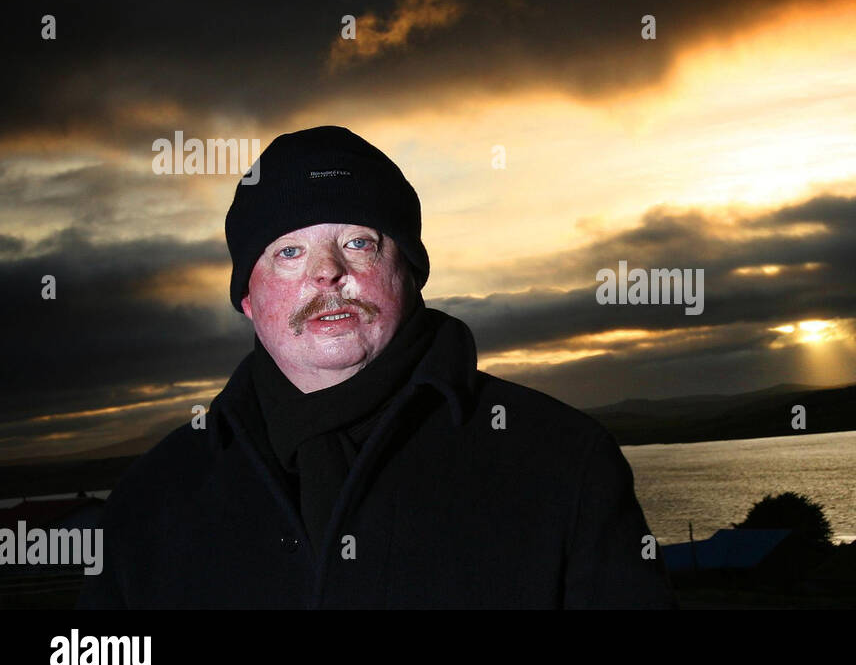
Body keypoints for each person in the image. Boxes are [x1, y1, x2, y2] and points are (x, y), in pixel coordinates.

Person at [78, 126, 676, 608]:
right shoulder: (149, 502)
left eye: (359, 241)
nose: (326, 272)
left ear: (410, 269)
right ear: (247, 298)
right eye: (289, 252)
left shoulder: (565, 462)